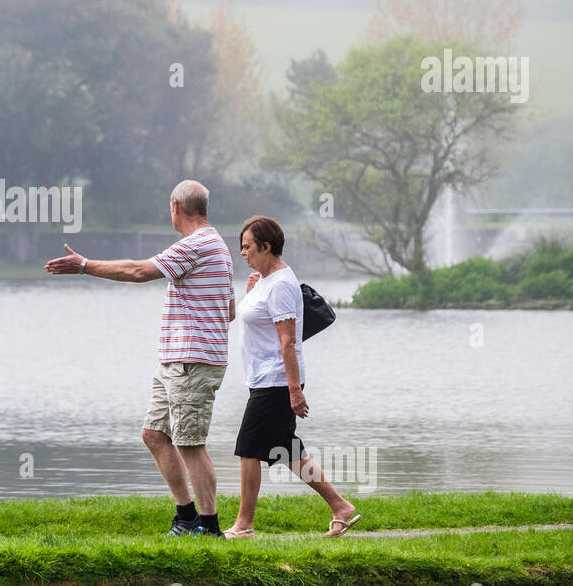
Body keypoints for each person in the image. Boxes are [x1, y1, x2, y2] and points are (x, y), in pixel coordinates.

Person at [45, 180, 234, 536]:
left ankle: (210, 527)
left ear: (176, 207)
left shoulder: (197, 245)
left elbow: (138, 271)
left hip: (191, 362)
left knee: (191, 443)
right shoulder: (216, 247)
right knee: (154, 435)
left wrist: (84, 265)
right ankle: (187, 517)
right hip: (176, 360)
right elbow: (229, 311)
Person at [224, 215, 360, 539]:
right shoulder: (265, 280)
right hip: (265, 379)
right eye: (241, 247)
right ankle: (341, 507)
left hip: (276, 381)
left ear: (266, 246)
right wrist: (251, 291)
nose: (242, 252)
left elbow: (287, 341)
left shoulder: (282, 284)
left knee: (248, 448)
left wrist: (294, 390)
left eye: (247, 247)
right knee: (285, 450)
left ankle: (244, 525)